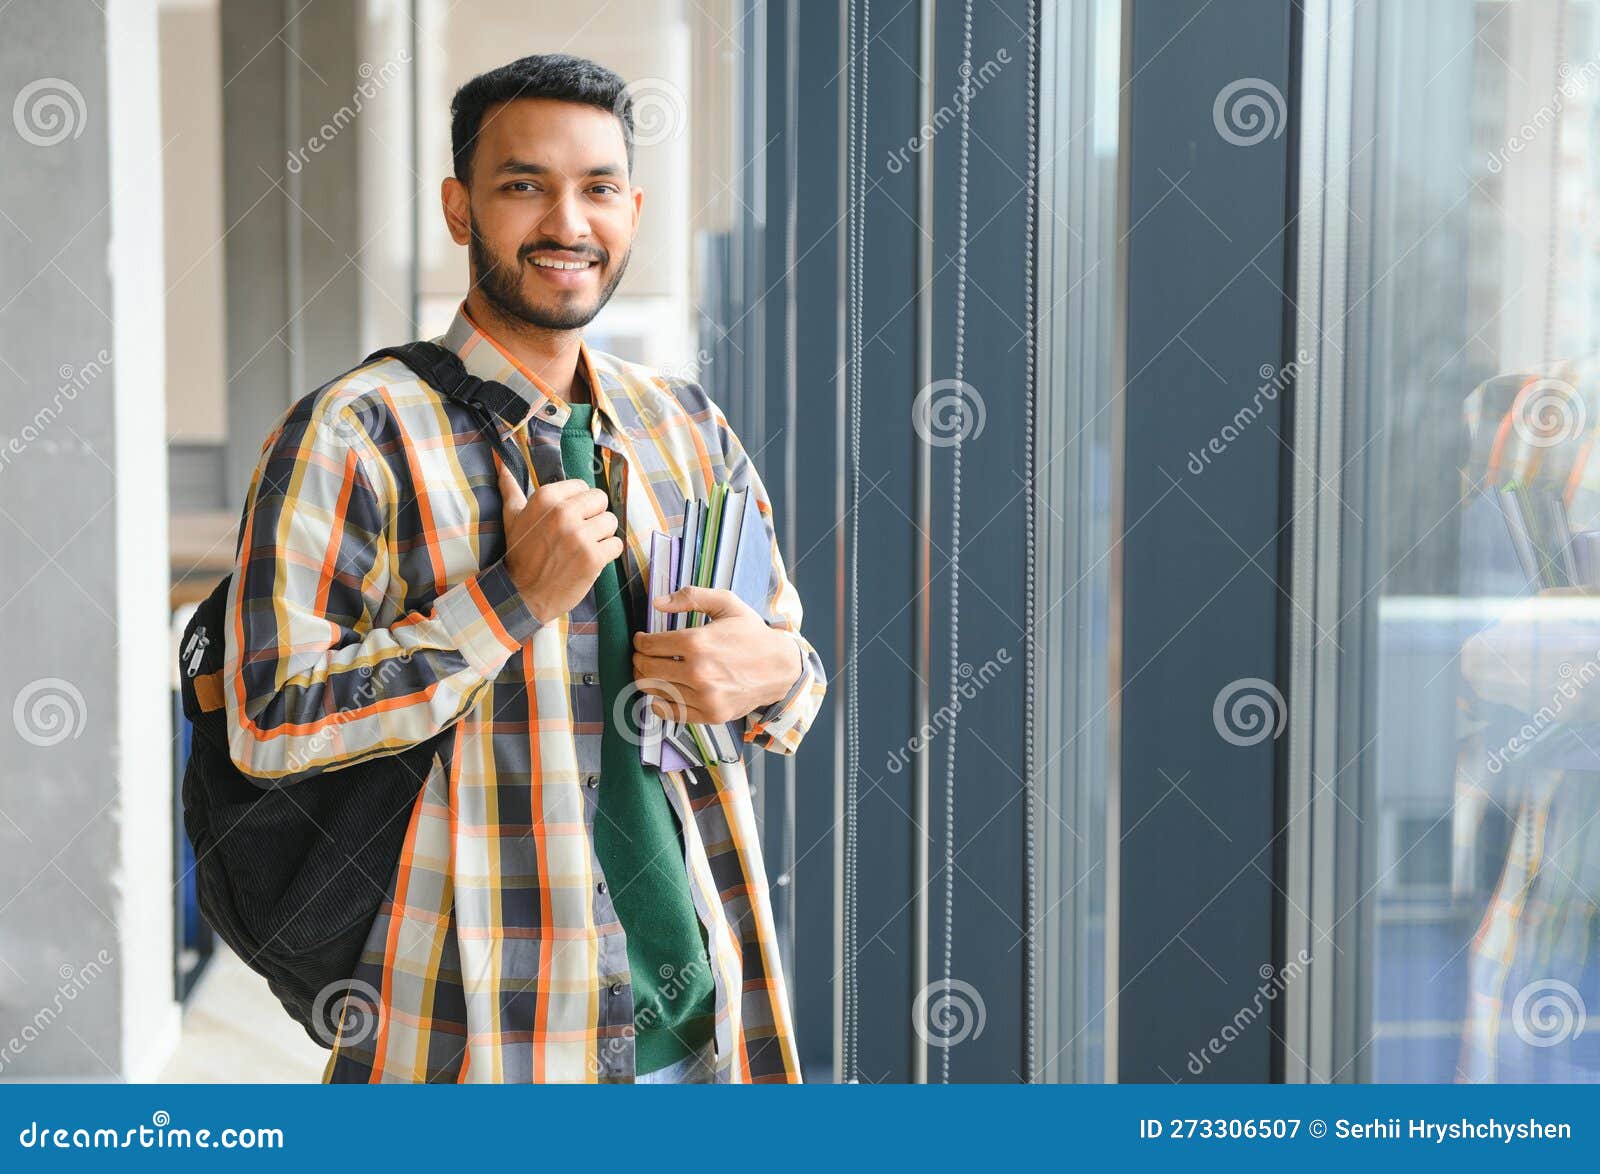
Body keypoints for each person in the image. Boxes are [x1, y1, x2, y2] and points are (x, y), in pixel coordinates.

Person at [221, 52, 825, 1084]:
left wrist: (776, 673)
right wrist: (508, 603)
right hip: (475, 1045)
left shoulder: (687, 425)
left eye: (596, 189)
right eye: (522, 185)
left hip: (704, 1031)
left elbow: (781, 668)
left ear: (631, 208)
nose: (566, 223)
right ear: (460, 210)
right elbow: (268, 718)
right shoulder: (353, 434)